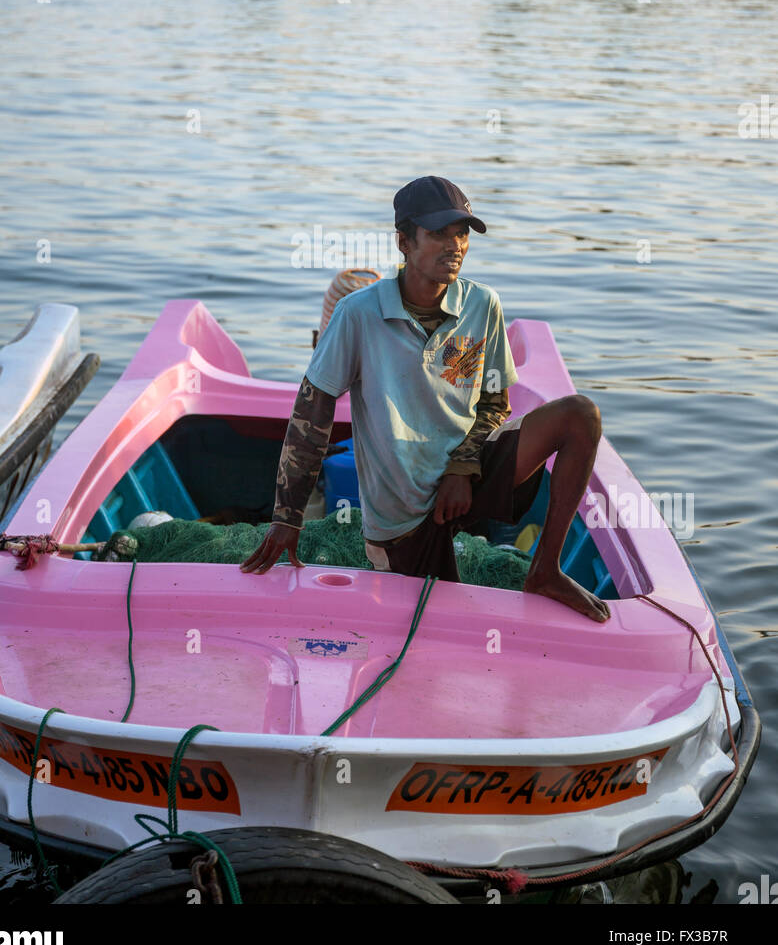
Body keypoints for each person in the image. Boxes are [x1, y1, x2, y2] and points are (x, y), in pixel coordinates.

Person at [241, 176, 609, 622]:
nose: (453, 245)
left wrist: (462, 467)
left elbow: (494, 403)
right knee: (428, 630)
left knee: (579, 415)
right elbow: (311, 417)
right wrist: (287, 517)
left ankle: (545, 570)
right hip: (404, 513)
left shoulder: (482, 304)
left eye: (462, 234)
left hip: (469, 478)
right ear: (404, 242)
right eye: (438, 234)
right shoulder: (357, 314)